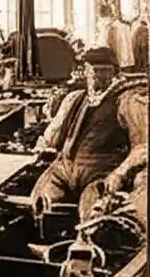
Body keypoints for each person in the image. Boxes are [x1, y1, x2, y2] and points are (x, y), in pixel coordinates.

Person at [31, 47, 148, 217]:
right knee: (42, 200)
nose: (96, 76)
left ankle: (87, 238)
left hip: (101, 172)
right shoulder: (76, 99)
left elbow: (143, 146)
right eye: (92, 70)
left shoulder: (127, 100)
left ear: (113, 72)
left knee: (93, 209)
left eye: (103, 71)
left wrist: (120, 174)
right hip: (64, 169)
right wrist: (43, 147)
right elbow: (53, 136)